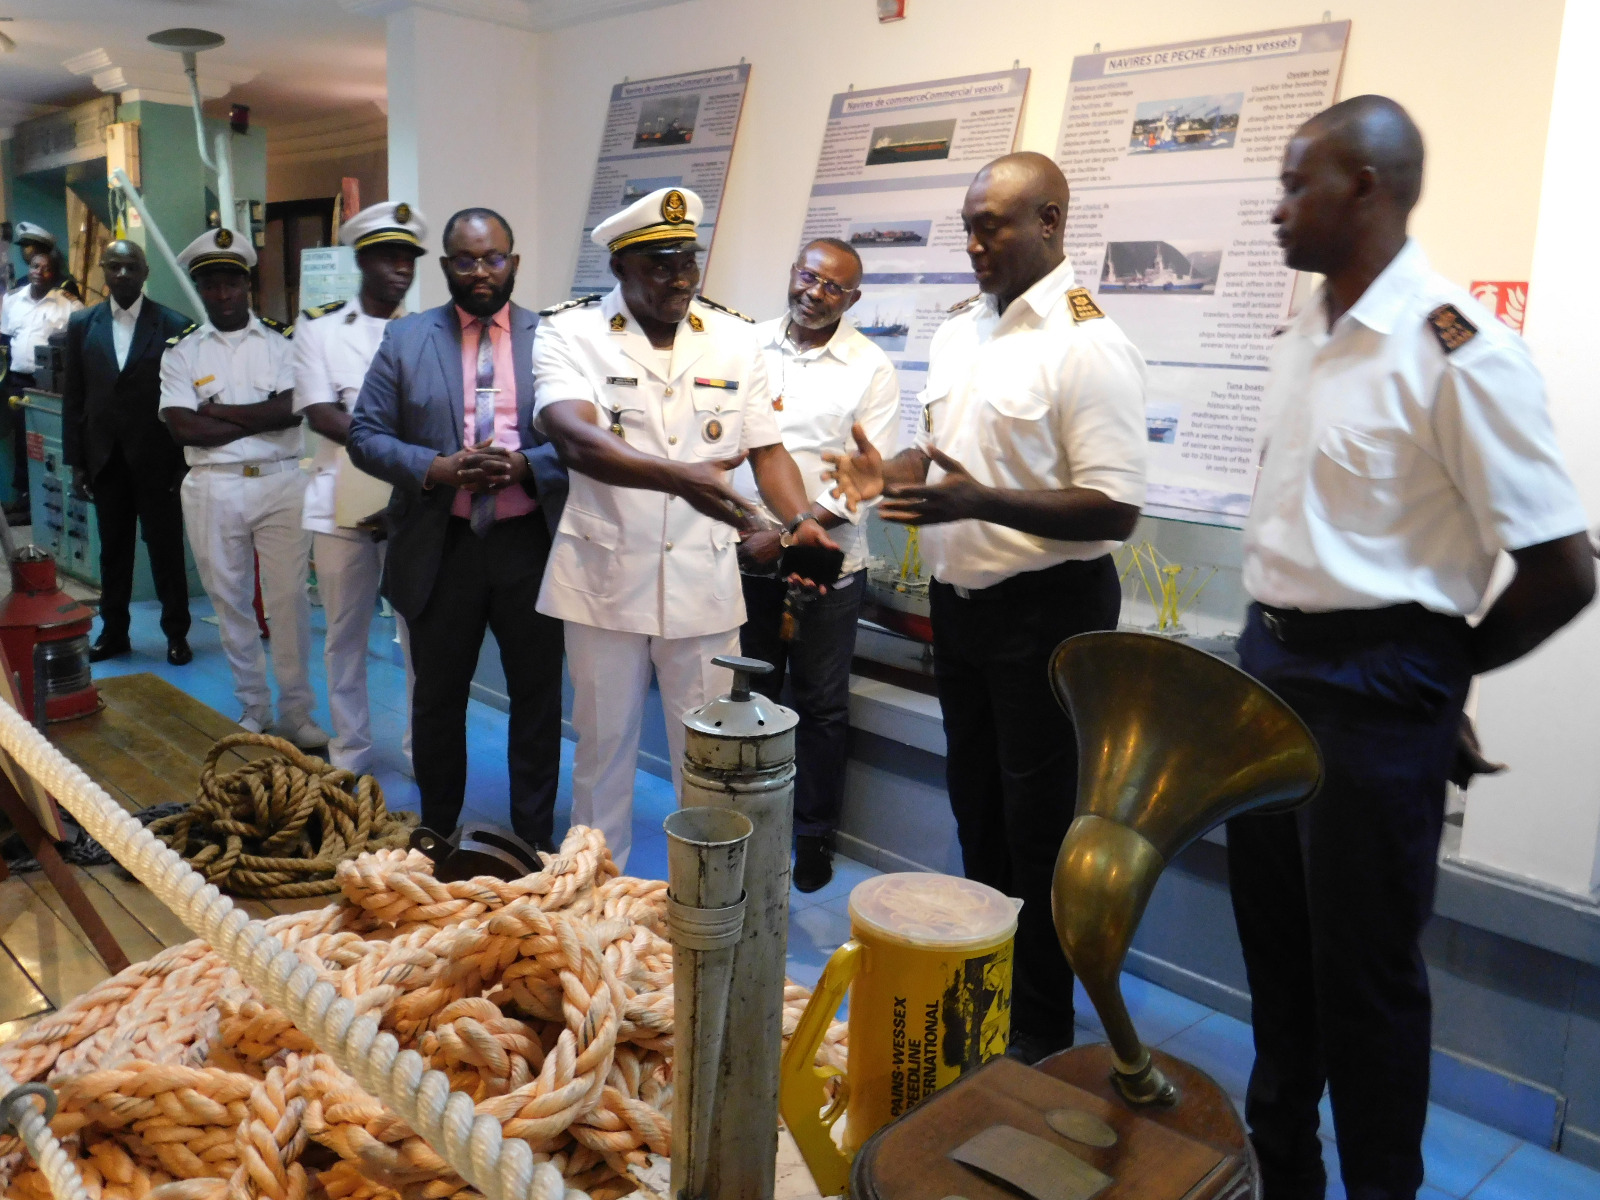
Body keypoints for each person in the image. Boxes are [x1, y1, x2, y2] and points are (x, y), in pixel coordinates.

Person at [1224, 96, 1594, 1200]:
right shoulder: (1306, 334)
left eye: (1296, 184)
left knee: (1366, 983)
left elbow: (1564, 568)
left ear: (1366, 189)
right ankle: (1284, 1172)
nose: (1277, 206)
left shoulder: (1455, 350)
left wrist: (1435, 677)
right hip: (1268, 671)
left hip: (1374, 694)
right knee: (1276, 961)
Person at [823, 152, 1148, 1064]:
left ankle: (1040, 1027)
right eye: (968, 227)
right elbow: (938, 453)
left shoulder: (1088, 343)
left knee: (1041, 830)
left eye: (991, 226)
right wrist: (885, 475)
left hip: (1050, 617)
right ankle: (988, 988)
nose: (973, 244)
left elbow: (1115, 508)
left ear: (1049, 222)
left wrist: (982, 505)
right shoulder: (964, 328)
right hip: (963, 612)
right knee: (977, 807)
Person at [535, 186, 839, 871]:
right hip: (604, 578)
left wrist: (798, 520)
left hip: (703, 579)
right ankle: (595, 897)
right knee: (603, 753)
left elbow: (766, 449)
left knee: (709, 759)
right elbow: (574, 439)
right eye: (659, 266)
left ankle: (706, 904)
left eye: (687, 262)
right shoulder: (569, 332)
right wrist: (681, 477)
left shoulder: (734, 337)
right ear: (619, 266)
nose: (679, 280)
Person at [348, 207, 567, 849]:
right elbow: (365, 435)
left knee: (536, 698)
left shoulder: (552, 339)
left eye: (493, 258)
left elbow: (587, 439)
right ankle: (437, 831)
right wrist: (435, 467)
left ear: (513, 263)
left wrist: (526, 465)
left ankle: (533, 839)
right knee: (437, 699)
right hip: (441, 545)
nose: (480, 272)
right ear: (445, 266)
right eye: (466, 260)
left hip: (530, 545)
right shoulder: (406, 339)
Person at [734, 237, 900, 891]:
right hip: (743, 554)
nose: (815, 292)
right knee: (748, 696)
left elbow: (864, 477)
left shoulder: (871, 367)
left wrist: (788, 535)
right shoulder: (748, 345)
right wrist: (760, 533)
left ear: (852, 299)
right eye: (808, 276)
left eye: (833, 286)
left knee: (821, 707)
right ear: (793, 273)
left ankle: (813, 839)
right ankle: (744, 825)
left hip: (827, 563)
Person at [159, 227, 327, 748]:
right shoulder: (181, 352)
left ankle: (296, 712)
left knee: (289, 601)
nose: (223, 293)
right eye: (211, 284)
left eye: (232, 282)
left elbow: (291, 411)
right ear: (200, 288)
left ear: (247, 284)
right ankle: (253, 706)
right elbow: (182, 427)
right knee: (230, 601)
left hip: (280, 484)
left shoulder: (283, 342)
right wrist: (258, 418)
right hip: (214, 486)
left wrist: (218, 413)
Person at [294, 201, 425, 776]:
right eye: (388, 256)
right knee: (344, 635)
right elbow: (320, 412)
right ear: (361, 261)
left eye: (409, 258)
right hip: (340, 501)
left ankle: (423, 749)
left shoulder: (427, 330)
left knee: (417, 633)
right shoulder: (319, 328)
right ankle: (350, 750)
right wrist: (398, 450)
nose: (401, 268)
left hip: (414, 502)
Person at [61, 240, 193, 665]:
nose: (122, 274)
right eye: (114, 266)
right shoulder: (82, 324)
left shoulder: (174, 324)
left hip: (158, 460)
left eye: (130, 267)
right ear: (103, 269)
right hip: (105, 459)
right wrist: (76, 462)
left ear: (145, 272)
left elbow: (185, 400)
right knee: (113, 552)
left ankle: (177, 634)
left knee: (166, 550)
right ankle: (114, 632)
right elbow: (74, 397)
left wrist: (183, 462)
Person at [2, 230, 81, 519]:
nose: (39, 272)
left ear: (54, 274)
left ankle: (49, 502)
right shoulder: (12, 300)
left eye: (46, 269)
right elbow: (5, 339)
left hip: (50, 386)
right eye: (35, 266)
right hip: (19, 382)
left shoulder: (69, 303)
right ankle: (25, 499)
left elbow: (79, 343)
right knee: (22, 442)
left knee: (48, 442)